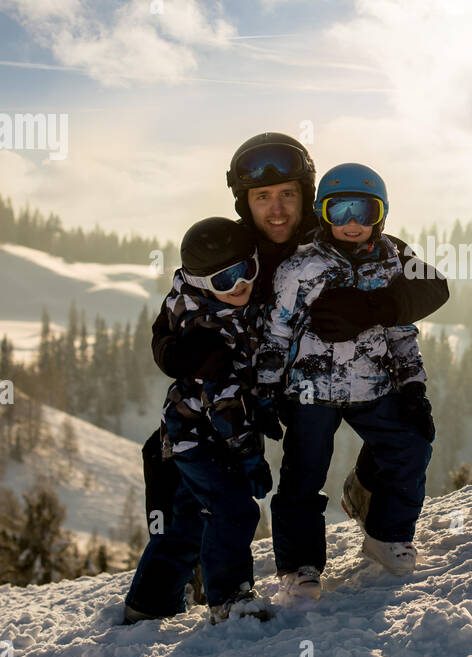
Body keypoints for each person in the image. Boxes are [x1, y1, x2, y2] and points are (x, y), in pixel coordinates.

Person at [140, 133, 447, 601]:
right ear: (245, 203)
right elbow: (171, 320)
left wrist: (376, 307)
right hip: (235, 399)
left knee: (402, 435)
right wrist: (179, 353)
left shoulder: (342, 232)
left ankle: (366, 496)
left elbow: (433, 284)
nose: (277, 209)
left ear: (309, 196)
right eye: (262, 198)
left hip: (344, 385)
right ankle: (167, 596)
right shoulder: (232, 250)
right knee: (184, 480)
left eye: (288, 194)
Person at [257, 163, 435, 589]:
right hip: (310, 391)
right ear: (322, 214)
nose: (353, 224)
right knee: (303, 475)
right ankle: (299, 567)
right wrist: (267, 388)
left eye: (365, 211)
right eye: (340, 212)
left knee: (410, 447)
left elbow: (401, 331)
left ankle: (387, 536)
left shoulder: (393, 265)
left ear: (382, 215)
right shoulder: (299, 269)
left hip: (374, 385)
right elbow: (276, 332)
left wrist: (413, 386)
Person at [123, 218, 280, 625]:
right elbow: (224, 402)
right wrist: (248, 455)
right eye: (225, 278)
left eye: (246, 269)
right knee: (234, 511)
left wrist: (260, 400)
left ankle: (149, 603)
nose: (240, 283)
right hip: (204, 439)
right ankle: (229, 600)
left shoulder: (225, 305)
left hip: (191, 433)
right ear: (199, 281)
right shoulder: (209, 328)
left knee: (186, 520)